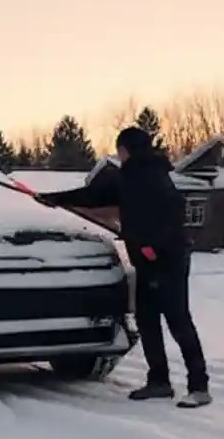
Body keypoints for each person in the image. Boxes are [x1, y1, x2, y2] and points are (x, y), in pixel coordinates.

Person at [35, 127, 211, 408]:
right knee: (147, 319)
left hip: (167, 260)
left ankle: (199, 386)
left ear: (126, 149)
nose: (119, 155)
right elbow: (93, 196)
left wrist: (153, 247)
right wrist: (54, 199)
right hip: (148, 260)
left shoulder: (148, 176)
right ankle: (159, 381)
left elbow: (172, 214)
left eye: (120, 150)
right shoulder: (133, 176)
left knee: (178, 320)